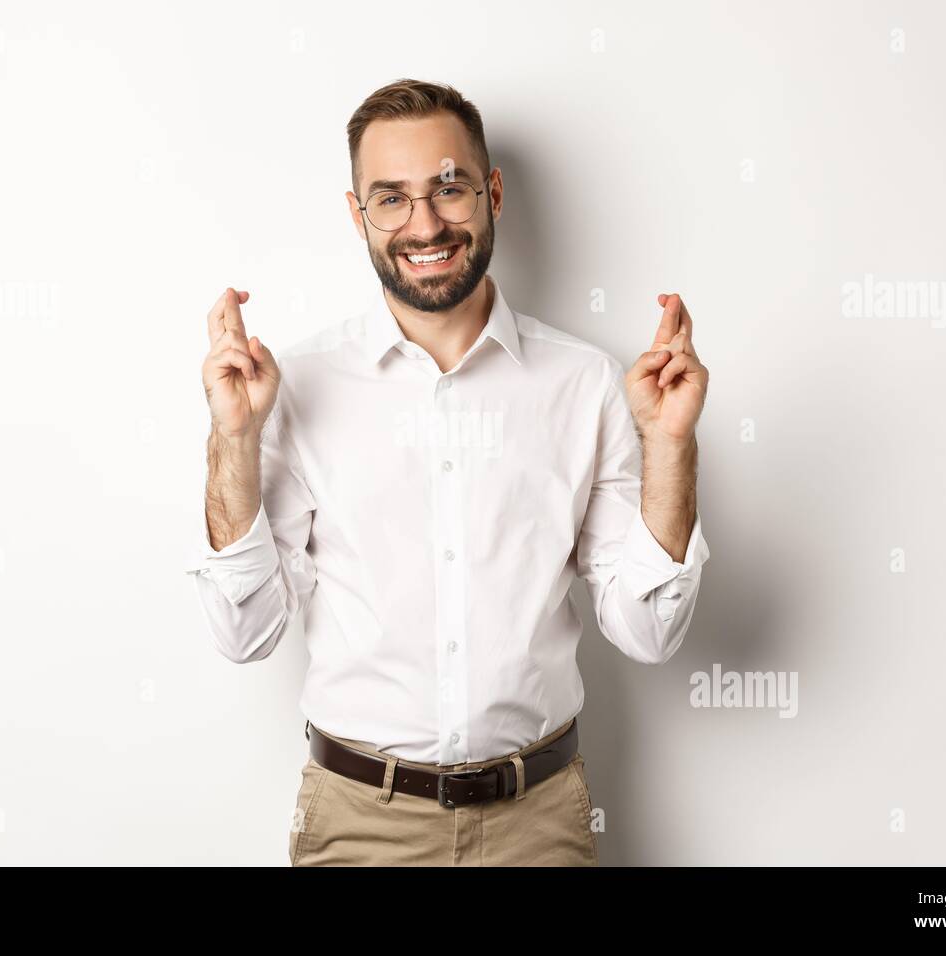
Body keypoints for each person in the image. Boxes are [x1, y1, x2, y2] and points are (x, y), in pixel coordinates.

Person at [186, 78, 711, 866]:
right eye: (391, 199)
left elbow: (648, 633)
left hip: (538, 824)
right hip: (356, 824)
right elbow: (244, 633)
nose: (424, 223)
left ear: (491, 192)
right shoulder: (291, 389)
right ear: (357, 215)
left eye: (449, 188)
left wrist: (670, 447)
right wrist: (233, 439)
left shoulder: (585, 384)